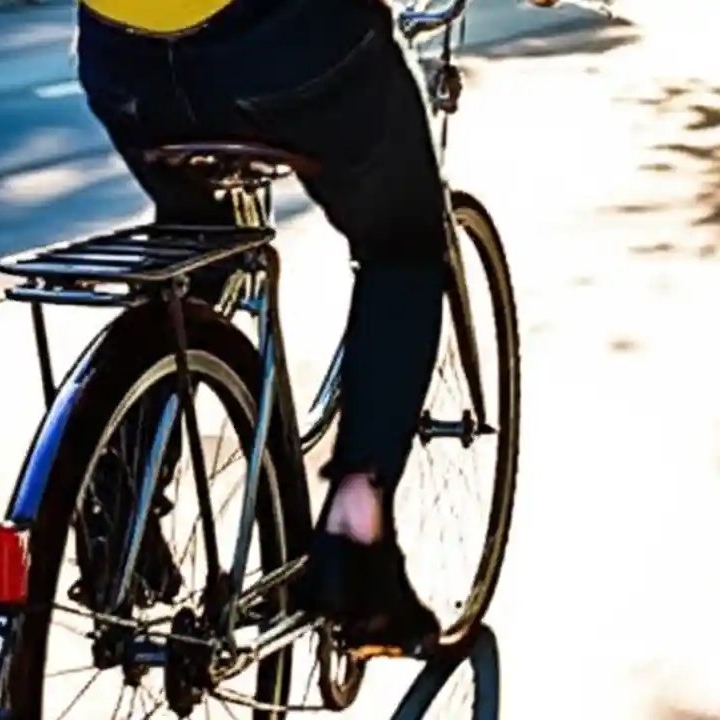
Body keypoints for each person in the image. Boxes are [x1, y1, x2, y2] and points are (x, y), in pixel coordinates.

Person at [76, 0, 446, 653]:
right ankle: (355, 528)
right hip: (290, 53)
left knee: (199, 240)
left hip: (123, 65)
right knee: (403, 248)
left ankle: (116, 487)